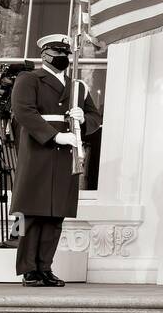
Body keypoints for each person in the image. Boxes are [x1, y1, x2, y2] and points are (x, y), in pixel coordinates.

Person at [10, 34, 103, 287]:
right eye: (56, 52)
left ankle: (45, 267)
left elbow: (95, 117)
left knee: (55, 215)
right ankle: (29, 269)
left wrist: (83, 119)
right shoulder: (29, 79)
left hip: (66, 154)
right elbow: (24, 111)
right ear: (45, 55)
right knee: (31, 213)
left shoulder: (78, 87)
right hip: (39, 150)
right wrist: (54, 136)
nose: (62, 56)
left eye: (65, 52)